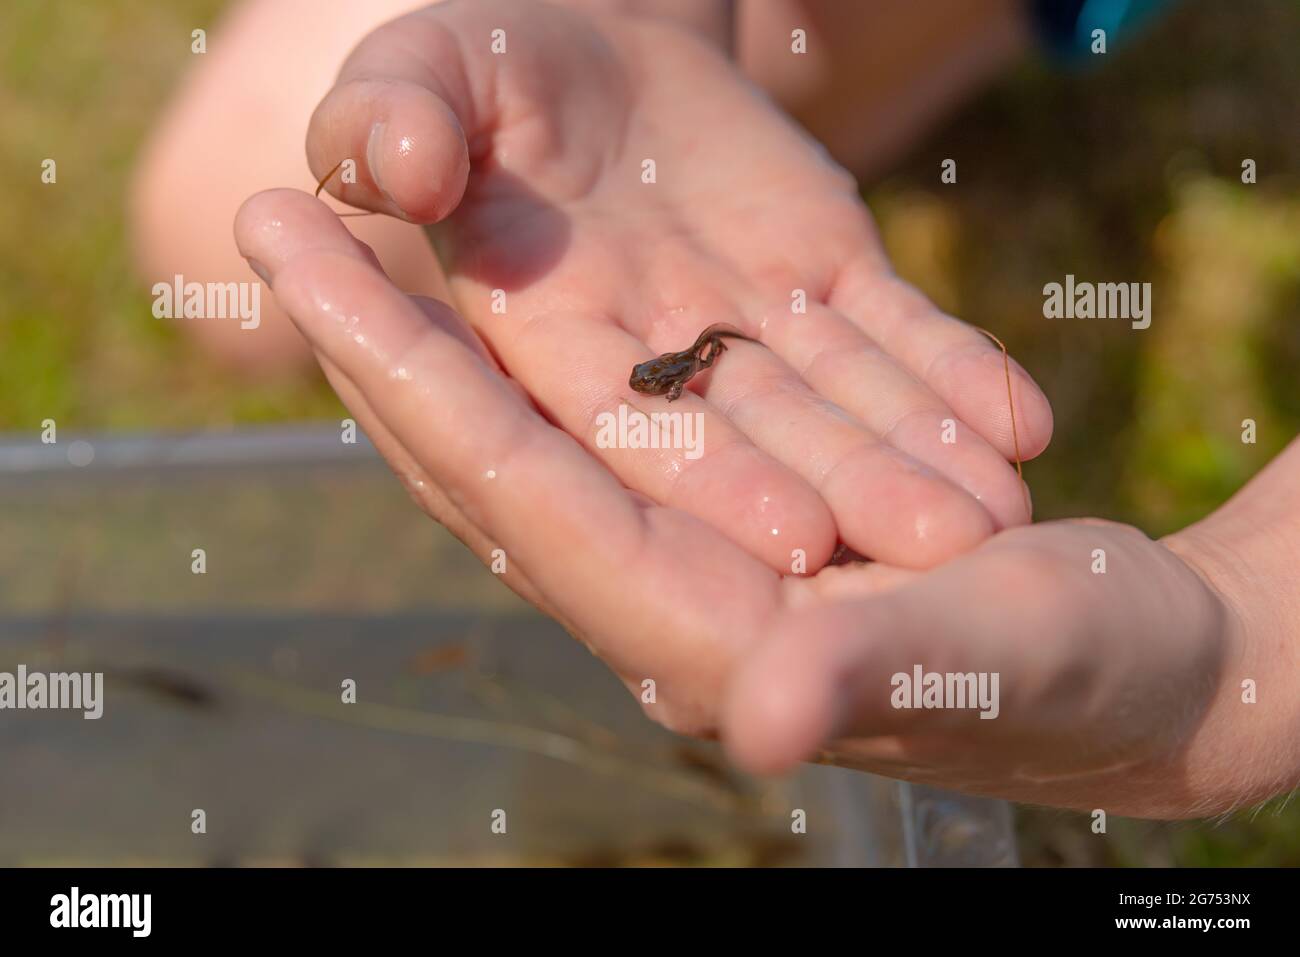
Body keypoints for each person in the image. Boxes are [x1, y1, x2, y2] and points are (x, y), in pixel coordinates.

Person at [155, 1, 1300, 819]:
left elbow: (679, 374)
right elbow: (666, 372)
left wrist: (1248, 628)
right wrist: (642, 28)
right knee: (204, 217)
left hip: (695, 357)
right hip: (687, 335)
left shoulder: (684, 373)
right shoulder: (672, 370)